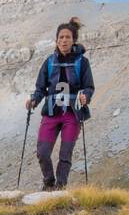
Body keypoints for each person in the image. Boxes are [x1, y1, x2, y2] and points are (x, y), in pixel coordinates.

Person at [24, 17, 94, 190]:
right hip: (51, 112)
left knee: (65, 153)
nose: (64, 40)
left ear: (74, 40)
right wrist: (34, 100)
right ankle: (49, 182)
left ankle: (60, 187)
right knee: (42, 153)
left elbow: (89, 87)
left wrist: (85, 95)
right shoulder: (49, 62)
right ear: (56, 40)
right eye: (61, 37)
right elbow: (41, 88)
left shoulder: (82, 62)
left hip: (73, 113)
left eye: (67, 37)